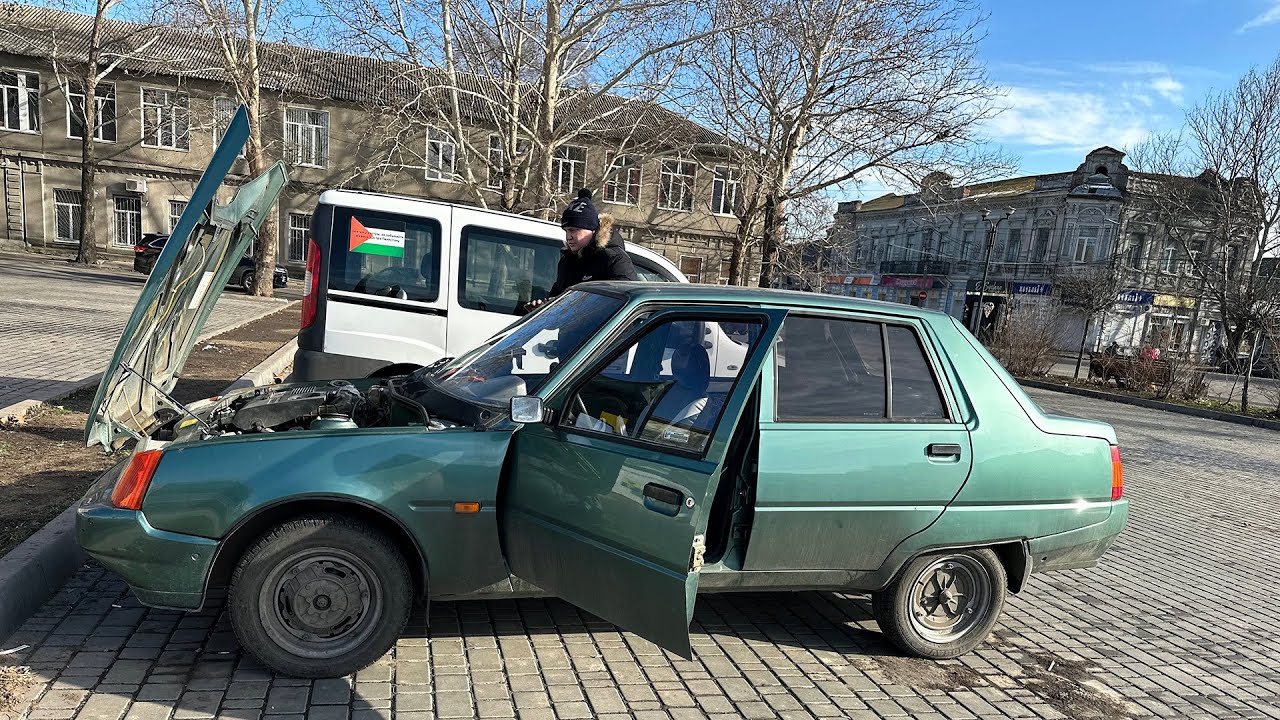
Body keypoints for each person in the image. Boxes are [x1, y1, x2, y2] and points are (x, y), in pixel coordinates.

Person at [524, 189, 637, 312]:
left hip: (606, 331)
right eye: (566, 230)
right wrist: (543, 309)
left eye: (574, 230)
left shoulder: (614, 259)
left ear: (591, 230)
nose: (568, 236)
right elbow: (558, 303)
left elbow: (625, 306)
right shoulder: (567, 262)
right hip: (574, 331)